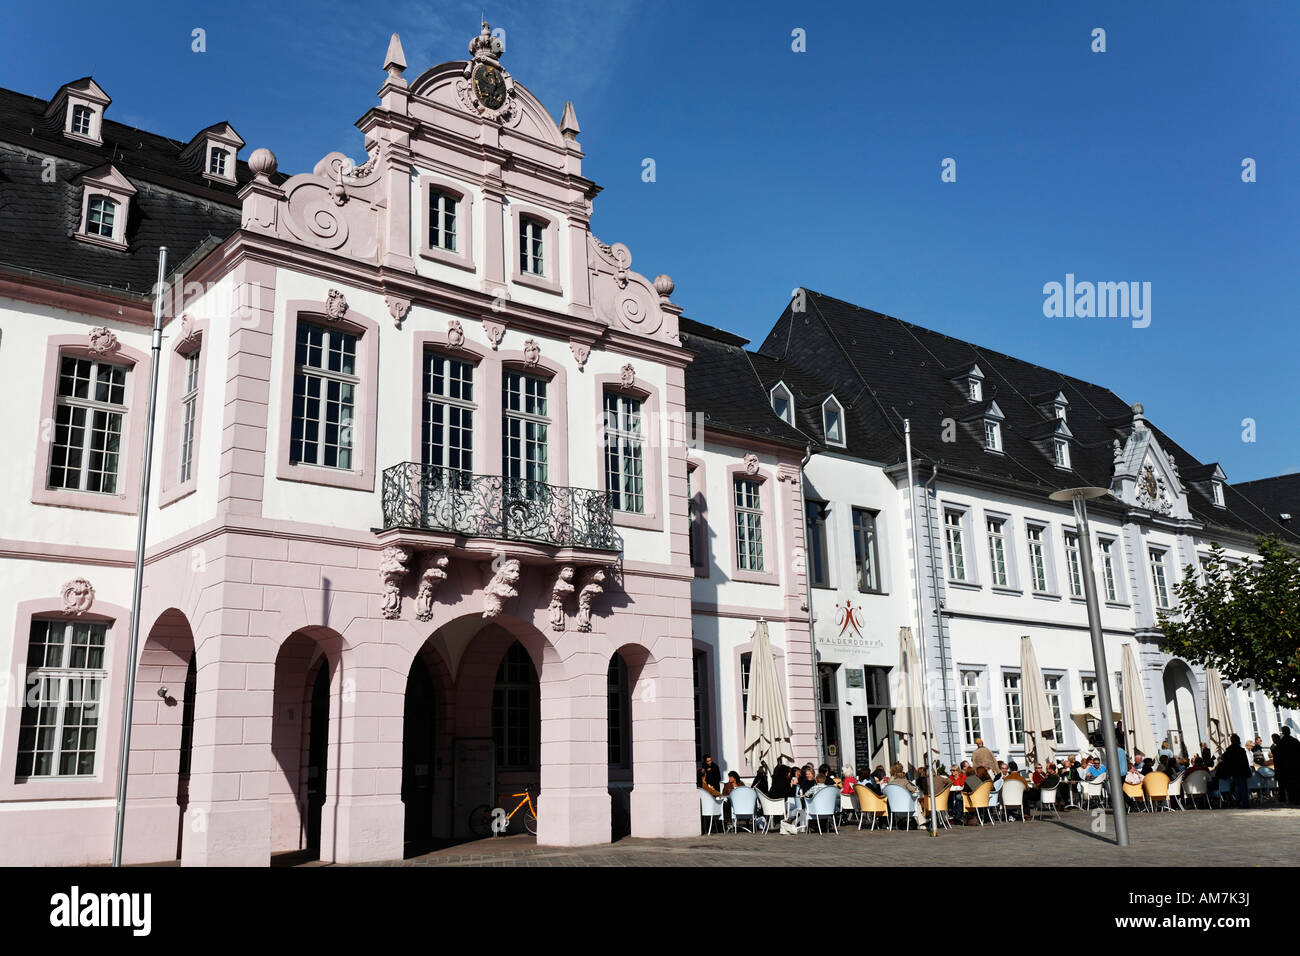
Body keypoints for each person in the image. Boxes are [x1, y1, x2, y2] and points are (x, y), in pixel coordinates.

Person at [1216, 734, 1252, 808]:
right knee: (1243, 787)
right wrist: (1248, 771)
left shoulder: (1229, 750)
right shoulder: (1241, 750)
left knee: (1237, 786)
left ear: (1231, 741)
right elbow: (1245, 762)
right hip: (1242, 770)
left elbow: (1224, 759)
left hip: (1234, 771)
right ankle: (1245, 802)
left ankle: (1238, 802)